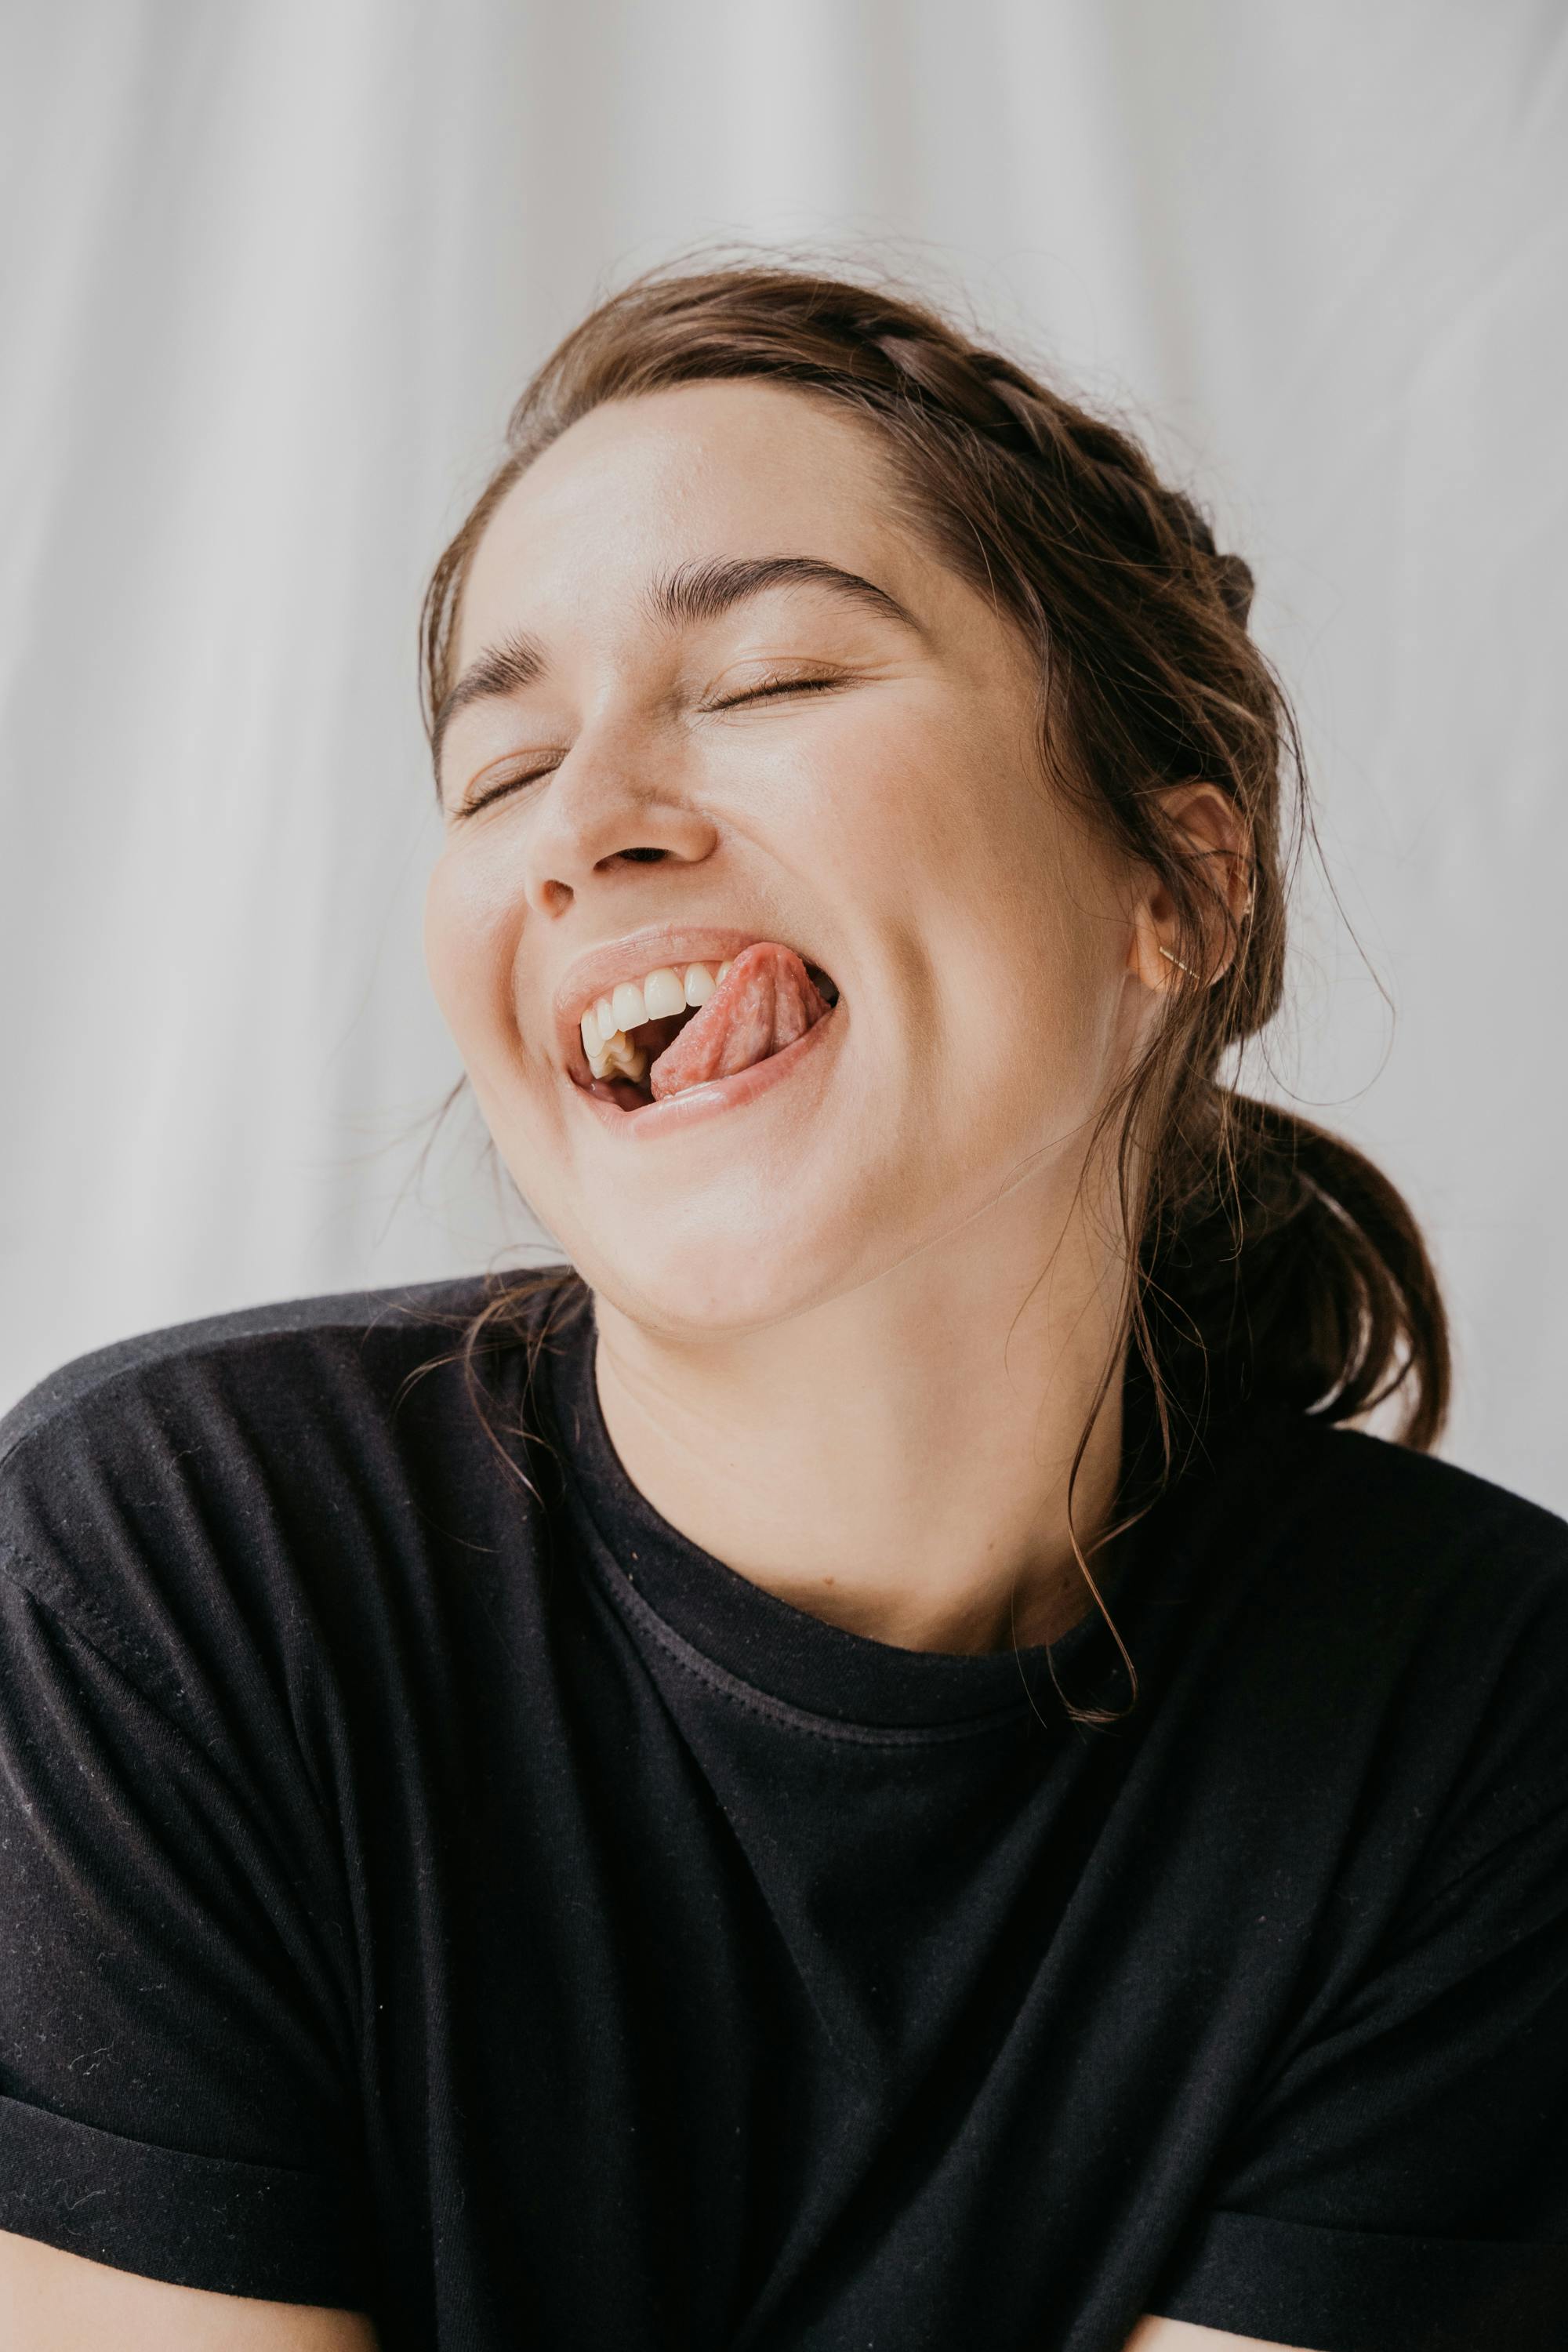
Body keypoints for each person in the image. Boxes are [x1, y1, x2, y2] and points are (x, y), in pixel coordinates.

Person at [1, 260, 1564, 2352]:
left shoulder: (1479, 1724)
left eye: (765, 682)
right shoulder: (171, 1571)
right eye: (497, 767)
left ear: (1177, 886)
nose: (581, 825)